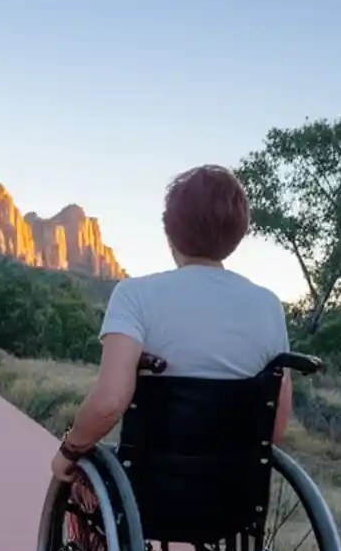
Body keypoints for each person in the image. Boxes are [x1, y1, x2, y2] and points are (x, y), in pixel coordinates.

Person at [50, 164, 293, 484]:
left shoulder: (134, 295)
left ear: (170, 229)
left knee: (86, 474)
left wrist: (69, 451)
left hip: (150, 489)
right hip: (231, 493)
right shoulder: (268, 306)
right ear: (238, 232)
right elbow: (275, 427)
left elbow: (109, 403)